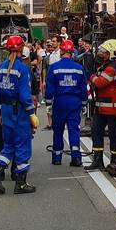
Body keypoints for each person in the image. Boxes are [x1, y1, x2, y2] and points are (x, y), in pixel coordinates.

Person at [0, 35, 38, 195]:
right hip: (19, 111)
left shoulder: (1, 67)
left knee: (8, 146)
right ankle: (20, 184)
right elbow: (24, 95)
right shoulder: (22, 69)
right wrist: (31, 114)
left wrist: (0, 111)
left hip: (6, 111)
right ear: (22, 49)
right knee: (23, 146)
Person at [45, 39, 86, 167]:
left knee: (58, 129)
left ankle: (57, 157)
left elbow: (49, 88)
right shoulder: (79, 68)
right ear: (72, 52)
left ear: (61, 51)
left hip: (60, 101)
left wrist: (48, 103)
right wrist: (84, 103)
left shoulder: (54, 68)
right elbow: (83, 87)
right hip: (74, 102)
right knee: (74, 129)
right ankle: (76, 157)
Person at [86, 39, 116, 171]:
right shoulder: (106, 66)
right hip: (101, 108)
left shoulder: (112, 68)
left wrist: (92, 77)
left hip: (112, 109)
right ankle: (98, 160)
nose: (102, 54)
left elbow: (100, 82)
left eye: (105, 52)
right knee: (96, 131)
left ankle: (115, 160)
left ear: (113, 53)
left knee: (113, 135)